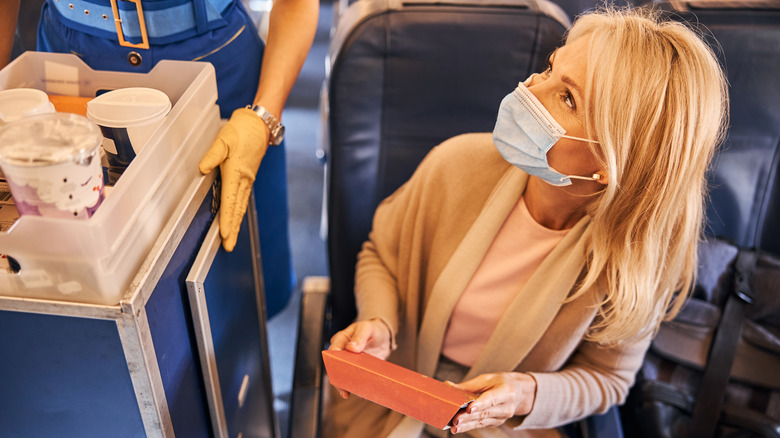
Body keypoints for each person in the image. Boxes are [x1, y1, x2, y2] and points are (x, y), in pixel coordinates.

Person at [324, 6, 728, 437]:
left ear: (611, 164)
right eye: (551, 67)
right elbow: (379, 256)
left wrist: (526, 394)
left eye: (567, 97)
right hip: (394, 396)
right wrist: (381, 321)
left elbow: (607, 380)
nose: (530, 90)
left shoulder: (637, 256)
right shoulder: (454, 164)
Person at [0, 0, 318, 317]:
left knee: (242, 292)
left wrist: (262, 118)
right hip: (69, 66)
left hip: (216, 66)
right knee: (68, 288)